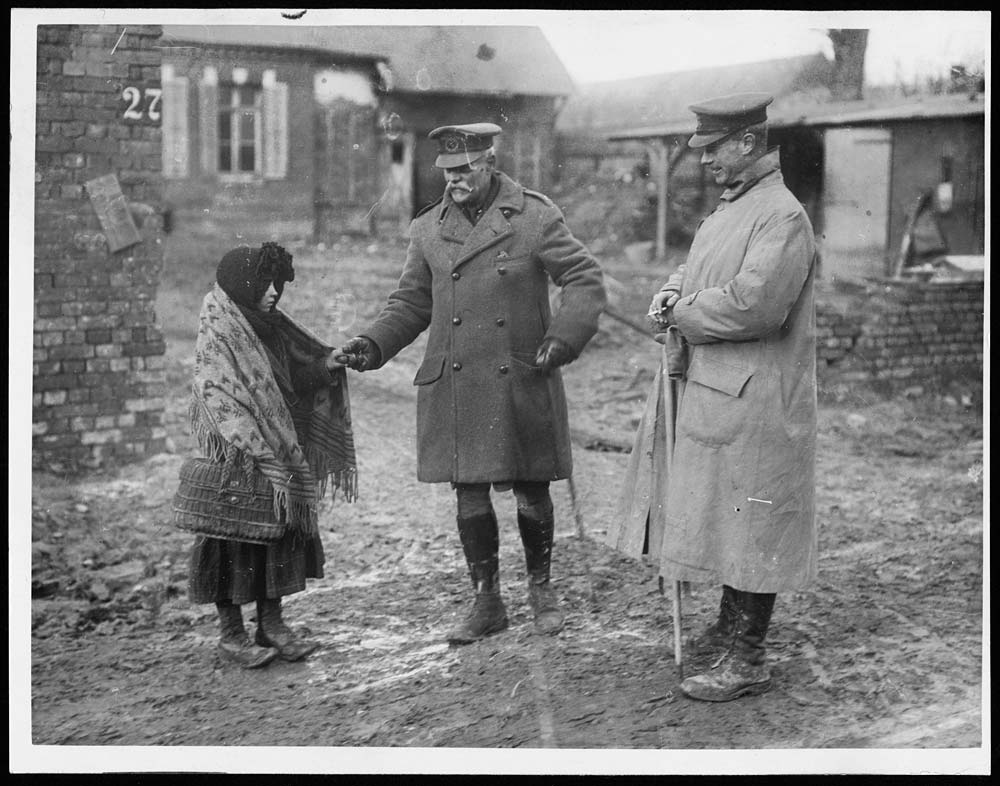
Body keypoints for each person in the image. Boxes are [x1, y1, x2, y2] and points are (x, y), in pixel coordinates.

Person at [340, 123, 606, 644]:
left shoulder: (533, 216)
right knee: (469, 496)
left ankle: (540, 588)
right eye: (448, 171)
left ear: (489, 161)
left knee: (531, 490)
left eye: (465, 170)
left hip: (520, 373)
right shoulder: (427, 229)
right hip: (457, 380)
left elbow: (583, 278)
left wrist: (564, 337)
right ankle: (487, 600)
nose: (455, 180)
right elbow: (412, 302)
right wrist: (371, 345)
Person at [647, 93, 818, 701]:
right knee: (730, 516)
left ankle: (749, 657)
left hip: (762, 399)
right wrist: (671, 293)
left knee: (756, 522)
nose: (705, 161)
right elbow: (701, 272)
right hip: (724, 393)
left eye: (714, 149)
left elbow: (756, 304)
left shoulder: (781, 215)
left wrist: (683, 315)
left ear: (748, 143)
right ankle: (728, 625)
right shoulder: (731, 210)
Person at [179, 242, 358, 668]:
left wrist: (325, 365)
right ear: (242, 286)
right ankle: (231, 633)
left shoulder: (271, 327)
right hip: (238, 453)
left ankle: (272, 624)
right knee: (231, 540)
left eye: (277, 283)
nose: (274, 292)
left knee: (276, 536)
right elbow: (216, 389)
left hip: (277, 444)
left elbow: (290, 380)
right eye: (264, 283)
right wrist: (252, 443)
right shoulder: (220, 327)